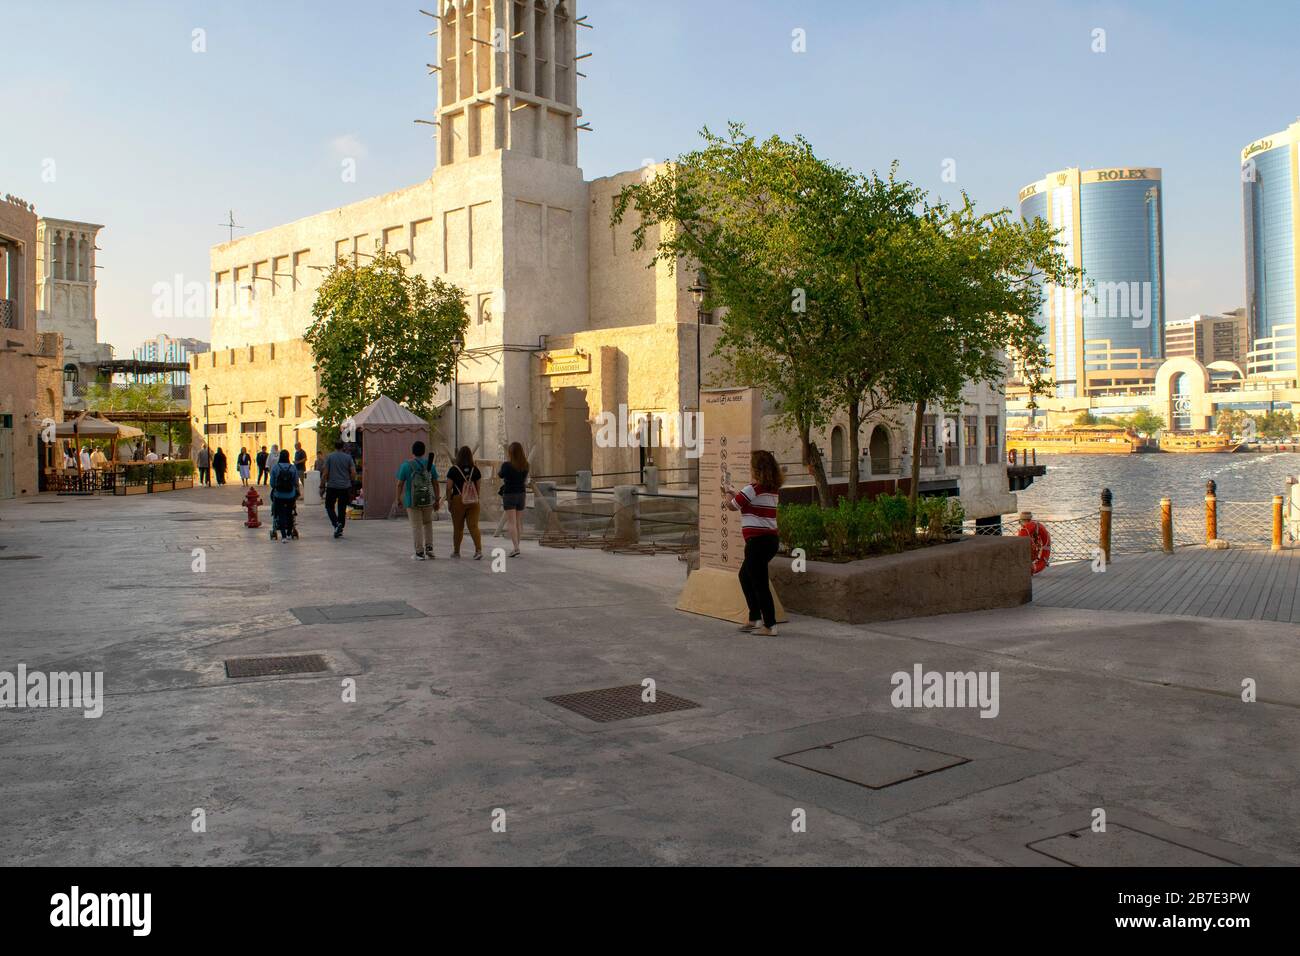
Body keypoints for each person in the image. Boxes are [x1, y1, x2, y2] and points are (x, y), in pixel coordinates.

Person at [723, 449, 784, 637]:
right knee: (745, 576)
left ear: (756, 469)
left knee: (759, 584)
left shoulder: (753, 488)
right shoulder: (771, 490)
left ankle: (770, 625)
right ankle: (754, 618)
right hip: (770, 541)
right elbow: (750, 504)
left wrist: (726, 492)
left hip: (757, 543)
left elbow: (732, 506)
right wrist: (736, 492)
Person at [395, 440, 438, 560]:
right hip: (428, 499)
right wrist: (437, 499)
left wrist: (398, 498)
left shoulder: (406, 465)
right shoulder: (430, 465)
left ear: (412, 451)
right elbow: (435, 483)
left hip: (412, 501)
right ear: (424, 452)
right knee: (428, 523)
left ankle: (419, 553)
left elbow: (399, 484)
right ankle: (429, 549)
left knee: (417, 526)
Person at [446, 445, 483, 559]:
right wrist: (476, 498)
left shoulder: (453, 470)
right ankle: (478, 551)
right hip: (473, 501)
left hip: (458, 499)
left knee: (458, 528)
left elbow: (448, 487)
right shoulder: (475, 470)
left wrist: (449, 501)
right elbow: (478, 487)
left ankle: (456, 552)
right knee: (474, 526)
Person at [321, 438, 358, 539]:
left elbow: (325, 473)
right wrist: (351, 481)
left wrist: (322, 485)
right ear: (343, 447)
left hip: (332, 486)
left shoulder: (329, 457)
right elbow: (353, 472)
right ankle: (340, 526)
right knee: (342, 507)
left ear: (334, 446)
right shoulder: (348, 458)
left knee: (329, 506)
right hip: (344, 487)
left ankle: (336, 524)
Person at [498, 441, 529, 558]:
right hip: (521, 493)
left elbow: (500, 475)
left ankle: (516, 547)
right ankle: (517, 545)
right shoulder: (526, 464)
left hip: (510, 493)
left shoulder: (506, 465)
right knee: (518, 521)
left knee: (511, 522)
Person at [268, 449, 300, 541]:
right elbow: (296, 482)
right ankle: (289, 533)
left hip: (278, 495)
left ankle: (283, 536)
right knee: (289, 513)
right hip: (290, 495)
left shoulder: (275, 467)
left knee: (280, 514)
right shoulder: (292, 467)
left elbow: (272, 483)